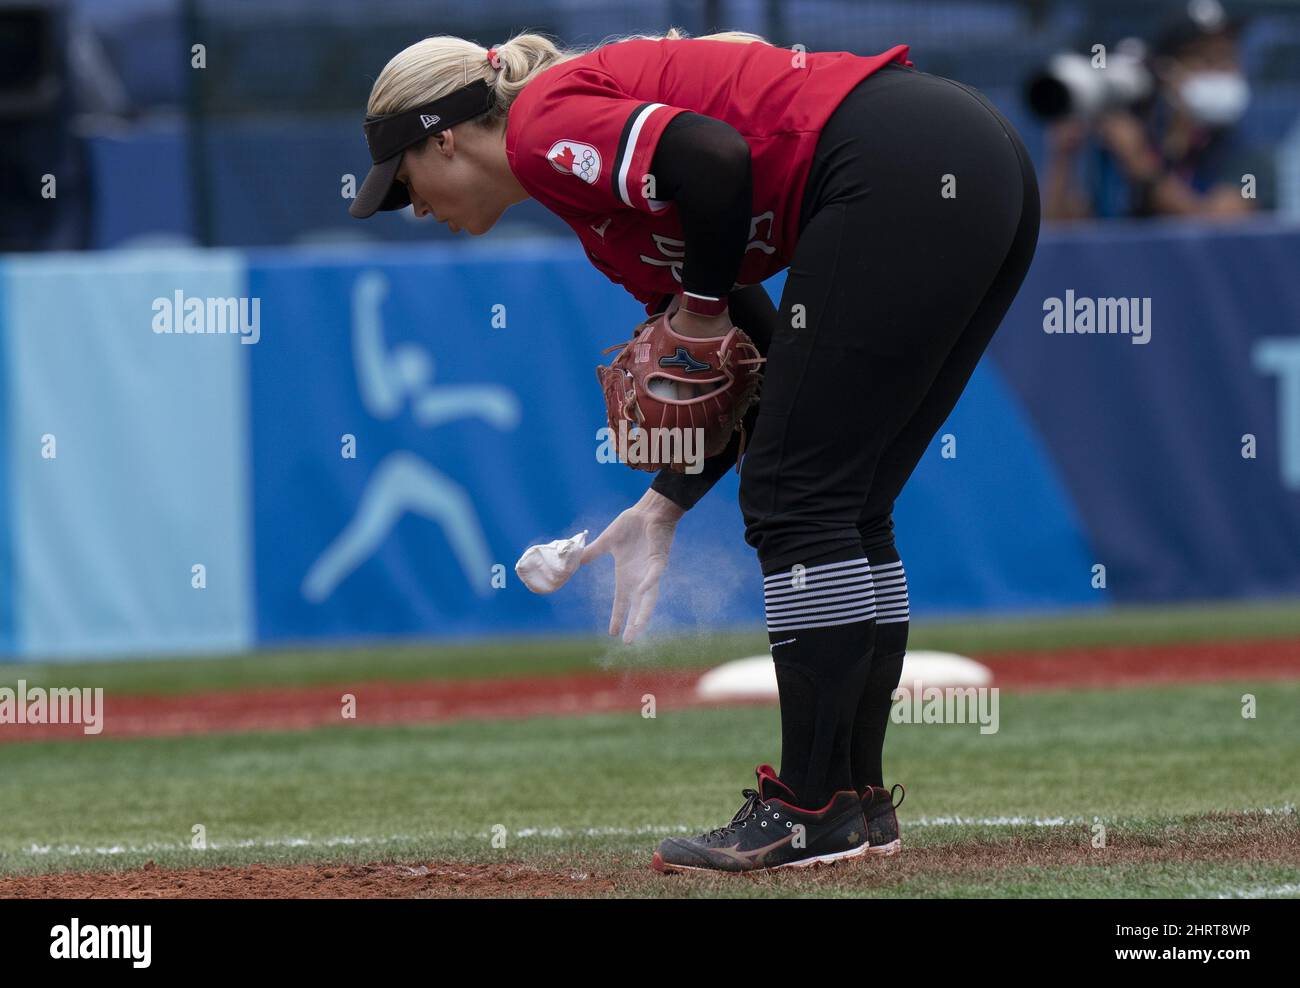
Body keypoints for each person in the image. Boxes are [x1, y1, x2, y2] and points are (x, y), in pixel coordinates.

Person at [350, 28, 1039, 873]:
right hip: (963, 160)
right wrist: (663, 504)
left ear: (443, 136)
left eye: (403, 180)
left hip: (900, 161)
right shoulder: (597, 216)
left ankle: (806, 810)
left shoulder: (540, 128)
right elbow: (760, 363)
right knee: (845, 500)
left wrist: (702, 309)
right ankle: (854, 804)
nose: (413, 207)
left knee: (803, 499)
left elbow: (713, 159)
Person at [1043, 2, 1271, 220]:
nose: (1221, 71)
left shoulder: (1251, 159)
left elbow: (1216, 228)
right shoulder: (1140, 141)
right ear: (1167, 72)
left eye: (1228, 58)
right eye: (1204, 59)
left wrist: (1140, 165)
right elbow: (1065, 239)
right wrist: (1063, 157)